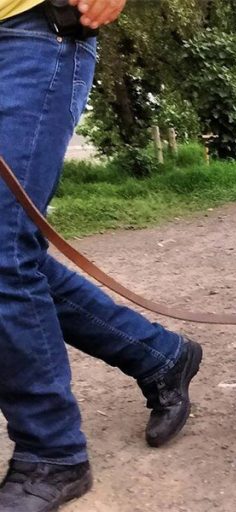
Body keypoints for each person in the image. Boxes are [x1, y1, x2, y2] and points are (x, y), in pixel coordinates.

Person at [0, 1, 203, 510]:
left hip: (31, 27)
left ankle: (52, 452)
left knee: (4, 247)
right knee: (10, 250)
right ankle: (159, 355)